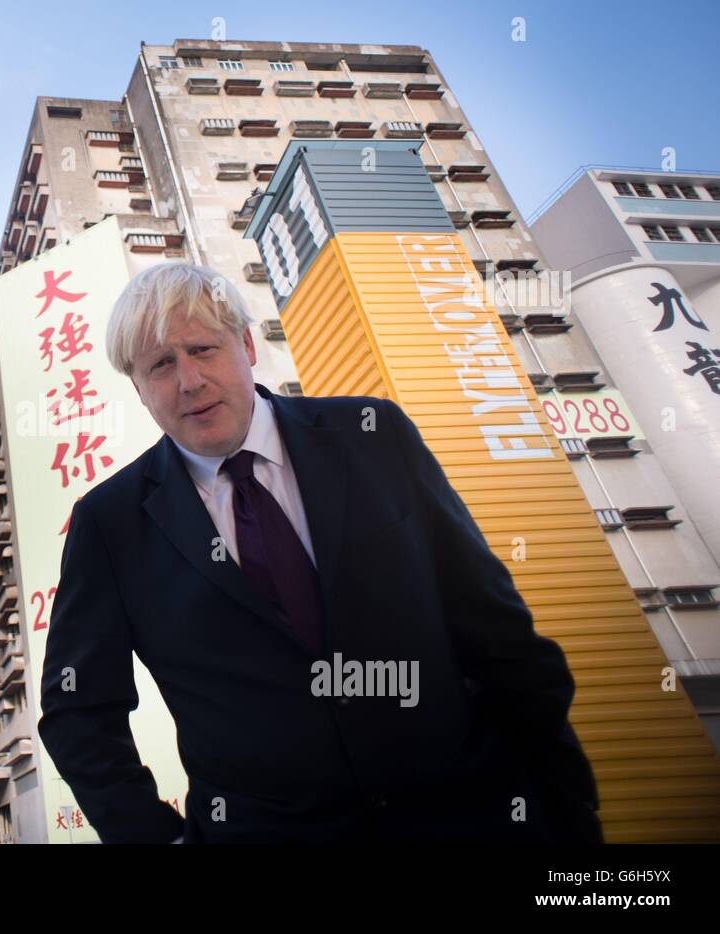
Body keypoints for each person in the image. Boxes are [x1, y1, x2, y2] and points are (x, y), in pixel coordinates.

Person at [36, 262, 602, 844]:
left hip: (473, 820)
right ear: (138, 388)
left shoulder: (373, 436)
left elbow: (499, 634)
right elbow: (78, 709)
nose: (189, 381)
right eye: (160, 365)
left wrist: (570, 813)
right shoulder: (110, 522)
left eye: (203, 349)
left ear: (248, 344)